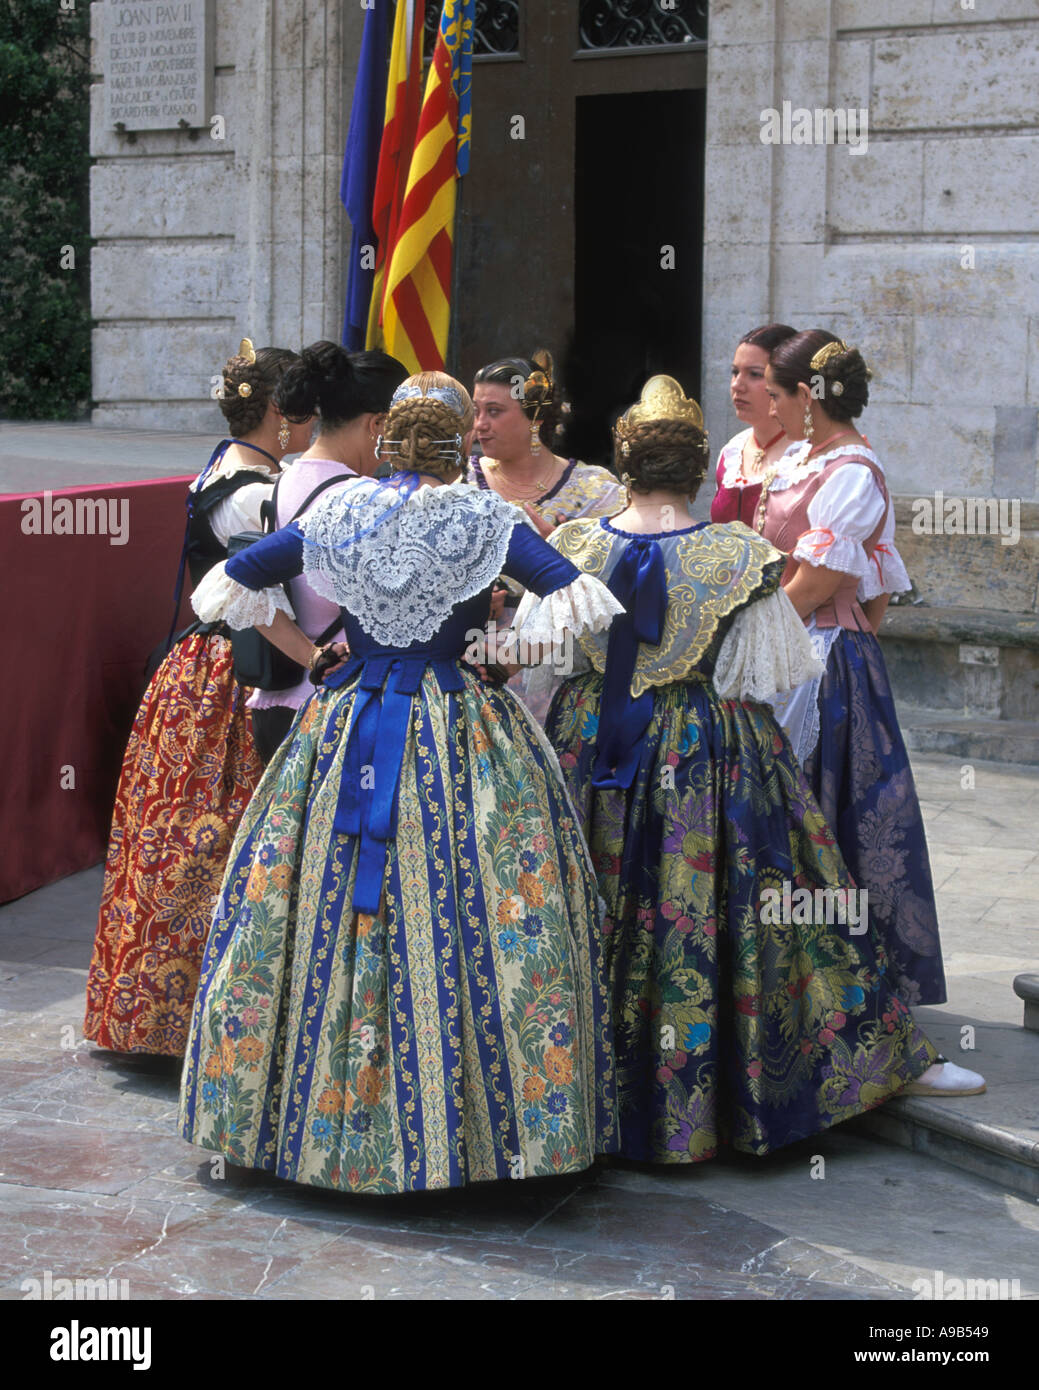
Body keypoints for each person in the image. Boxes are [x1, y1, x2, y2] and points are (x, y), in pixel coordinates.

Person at [178, 372, 624, 1195]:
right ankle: (477, 1137)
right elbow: (579, 595)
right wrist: (497, 653)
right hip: (457, 726)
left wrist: (328, 653)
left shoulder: (340, 512)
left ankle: (298, 1126)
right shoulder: (483, 519)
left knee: (313, 897)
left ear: (386, 445)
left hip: (344, 724)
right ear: (458, 449)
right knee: (482, 902)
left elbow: (233, 579)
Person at [537, 375, 982, 1165]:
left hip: (593, 741)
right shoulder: (740, 554)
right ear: (701, 468)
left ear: (623, 463)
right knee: (758, 901)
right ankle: (757, 1082)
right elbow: (768, 671)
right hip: (711, 746)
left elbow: (545, 654)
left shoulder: (575, 543)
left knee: (595, 900)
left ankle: (586, 1094)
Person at [83, 341, 312, 1056]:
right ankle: (200, 1024)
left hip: (206, 665)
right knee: (219, 837)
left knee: (195, 836)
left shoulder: (234, 467)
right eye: (307, 411)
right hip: (238, 671)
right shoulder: (254, 492)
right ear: (279, 415)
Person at [759, 331, 956, 1015]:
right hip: (798, 653)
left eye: (775, 393)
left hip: (820, 664)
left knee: (832, 819)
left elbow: (820, 582)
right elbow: (876, 594)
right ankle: (795, 989)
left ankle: (852, 994)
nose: (765, 404)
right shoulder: (803, 461)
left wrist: (741, 640)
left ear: (806, 397)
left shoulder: (849, 472)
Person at [246, 342, 408, 764]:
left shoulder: (282, 480)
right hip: (340, 704)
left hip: (277, 702)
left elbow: (243, 592)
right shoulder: (365, 499)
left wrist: (309, 656)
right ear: (378, 423)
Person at [469, 350, 623, 719]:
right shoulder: (460, 482)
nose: (479, 425)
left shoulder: (596, 491)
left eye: (494, 411)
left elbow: (623, 585)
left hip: (561, 667)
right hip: (472, 661)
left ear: (535, 417)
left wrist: (572, 556)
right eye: (475, 411)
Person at [710, 323, 797, 527]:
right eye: (735, 372)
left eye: (755, 374)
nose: (737, 385)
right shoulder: (731, 452)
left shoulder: (810, 456)